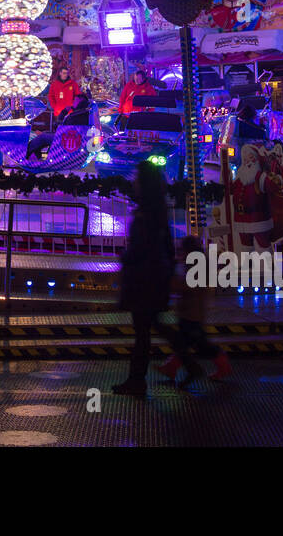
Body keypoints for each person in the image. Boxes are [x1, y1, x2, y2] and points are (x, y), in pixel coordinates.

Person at [112, 158, 176, 398]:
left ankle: (137, 380)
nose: (134, 183)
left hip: (145, 281)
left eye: (138, 179)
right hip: (152, 279)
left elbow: (143, 247)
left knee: (143, 333)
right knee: (149, 329)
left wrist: (126, 257)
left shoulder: (148, 212)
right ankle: (188, 360)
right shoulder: (154, 209)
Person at [156, 237, 232, 386]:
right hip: (190, 311)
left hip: (192, 313)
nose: (180, 254)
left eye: (182, 250)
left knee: (198, 344)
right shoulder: (195, 263)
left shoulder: (196, 264)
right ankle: (171, 367)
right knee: (187, 342)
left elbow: (189, 285)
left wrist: (172, 283)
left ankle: (221, 366)